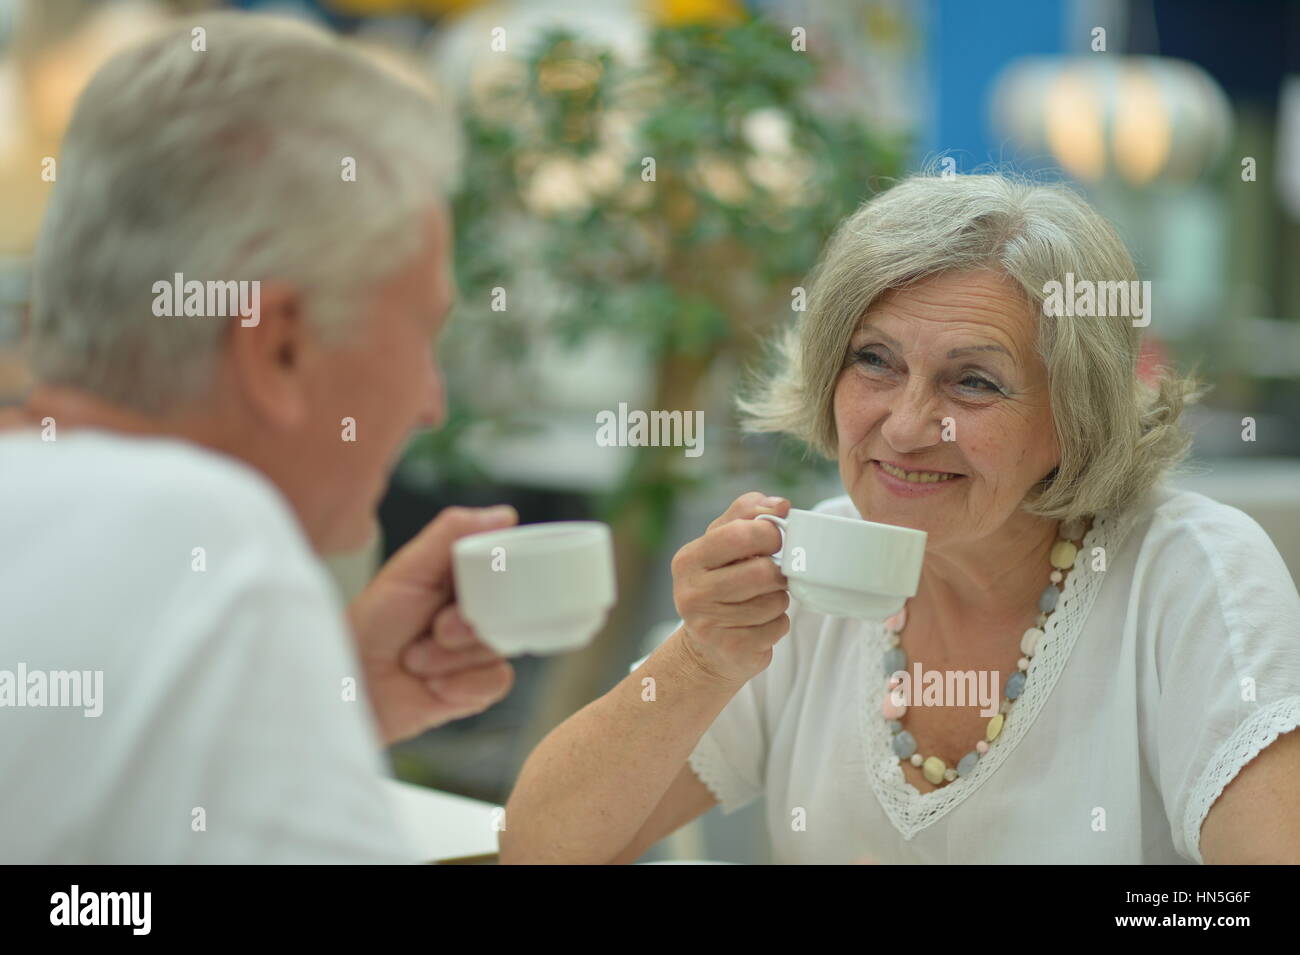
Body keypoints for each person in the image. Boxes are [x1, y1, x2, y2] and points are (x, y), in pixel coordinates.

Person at [501, 172, 1300, 864]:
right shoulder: (814, 556)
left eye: (974, 383)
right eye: (874, 360)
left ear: (1076, 416)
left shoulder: (1194, 572)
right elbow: (538, 846)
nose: (909, 425)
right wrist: (703, 659)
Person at [0, 13, 514, 862]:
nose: (431, 402)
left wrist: (318, 696)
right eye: (423, 334)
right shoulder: (213, 534)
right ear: (277, 345)